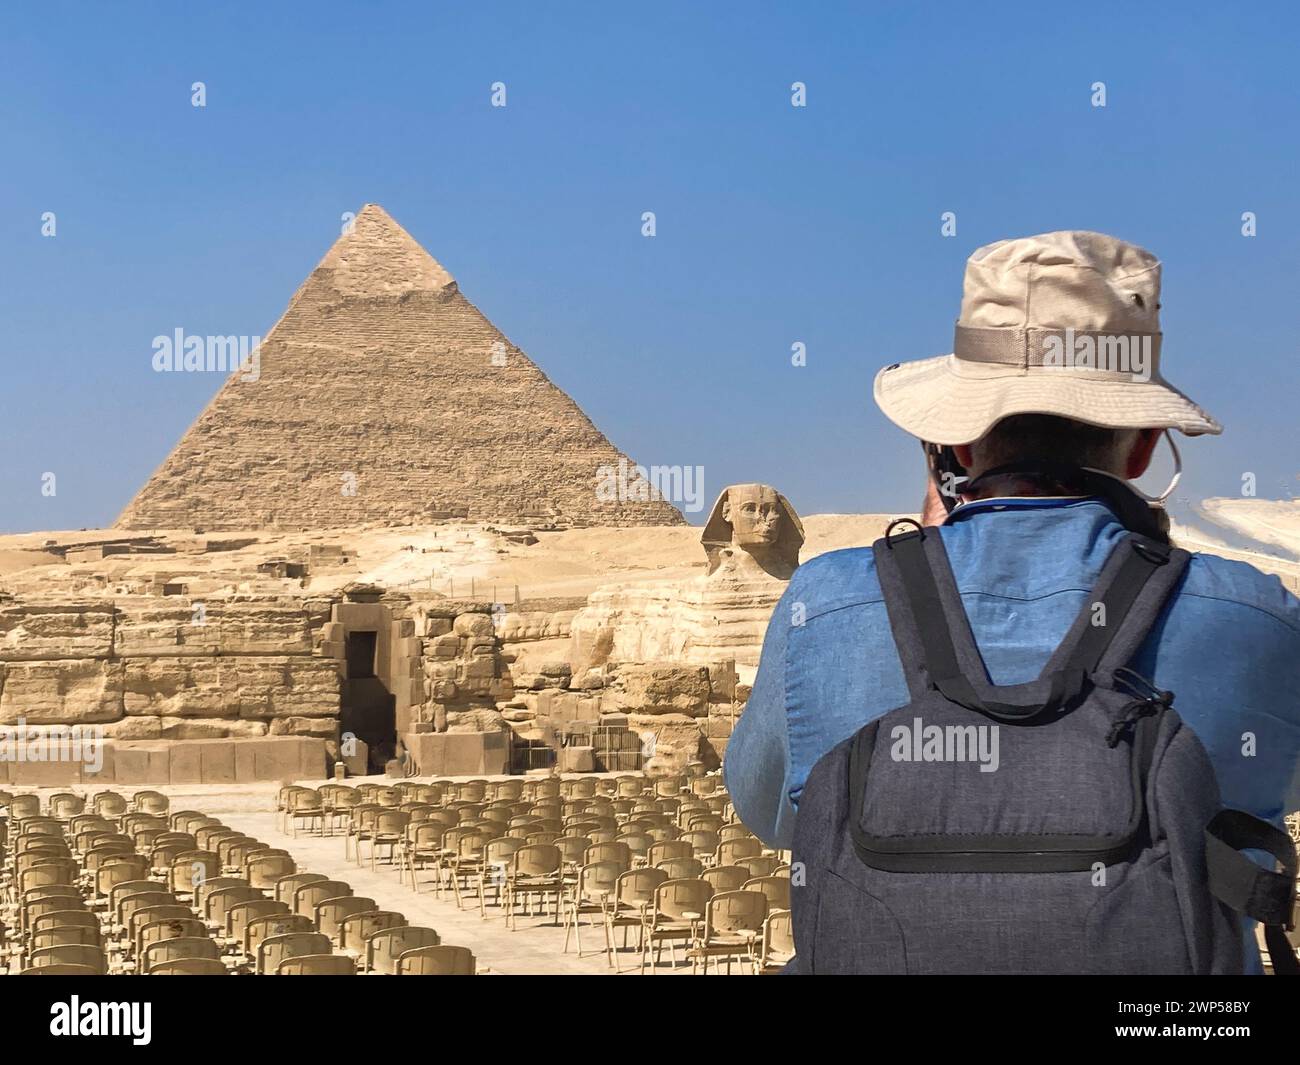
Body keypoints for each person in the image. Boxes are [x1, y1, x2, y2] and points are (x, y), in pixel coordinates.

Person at [725, 233, 1300, 967]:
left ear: (957, 447)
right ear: (1148, 445)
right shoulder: (1254, 618)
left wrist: (917, 576)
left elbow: (770, 811)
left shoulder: (825, 604)